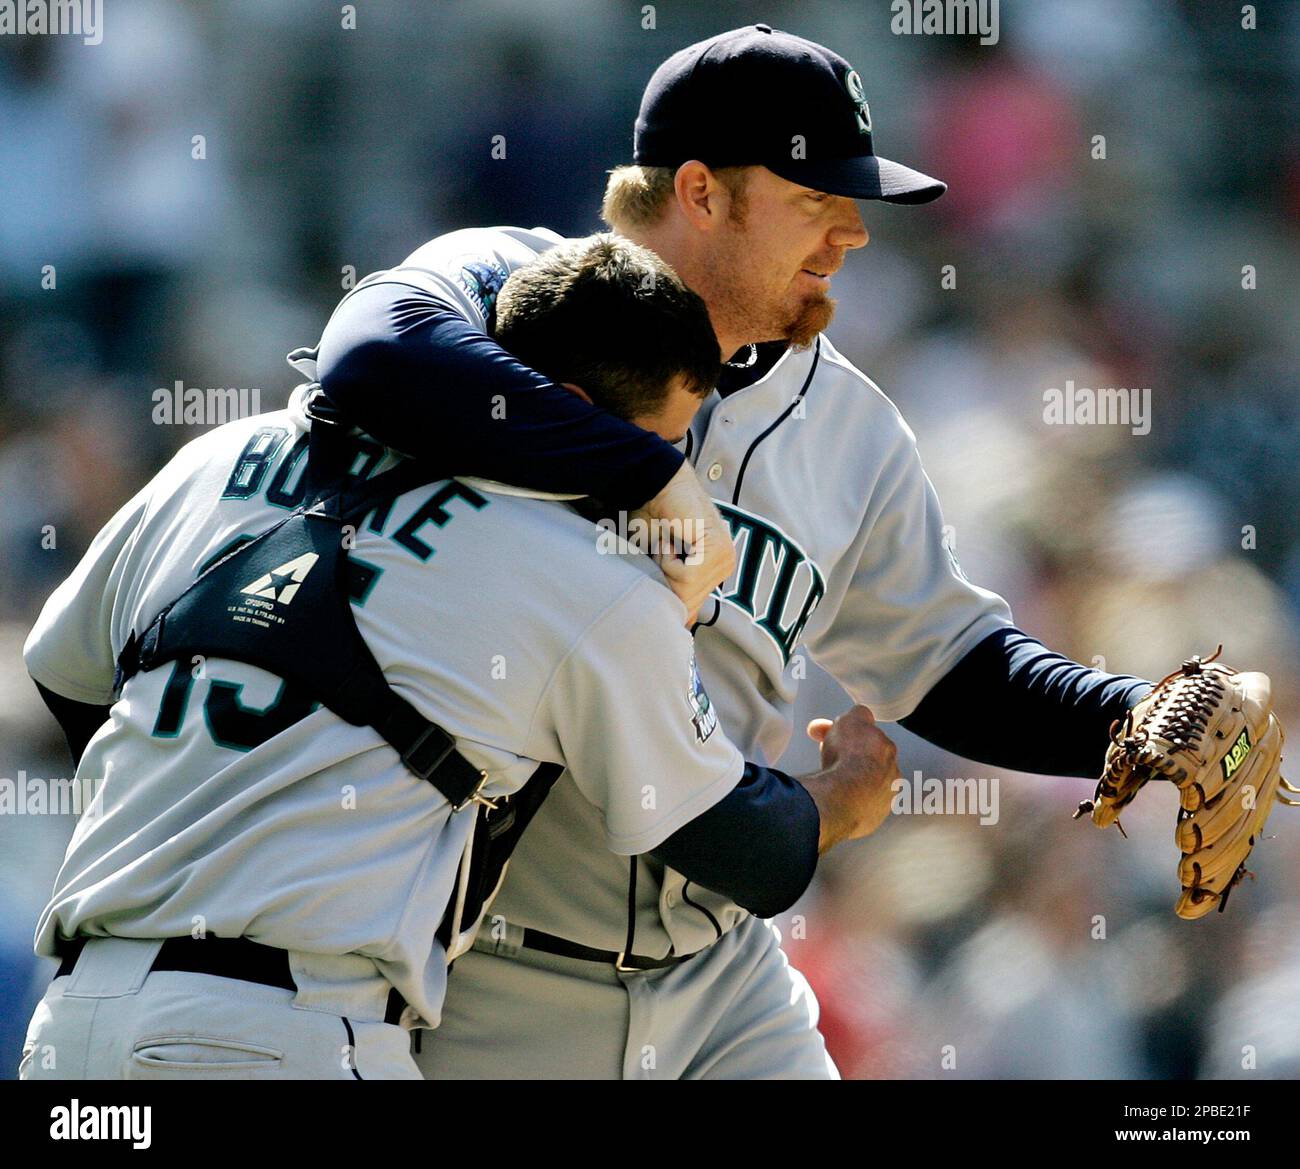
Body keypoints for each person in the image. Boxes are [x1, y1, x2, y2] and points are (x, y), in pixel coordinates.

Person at [306, 26, 1155, 1079]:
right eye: (813, 200)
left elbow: (952, 666)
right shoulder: (518, 285)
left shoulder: (851, 426)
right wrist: (647, 473)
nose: (851, 233)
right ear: (701, 192)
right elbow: (370, 351)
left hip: (722, 970)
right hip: (492, 969)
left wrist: (1139, 722)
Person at [19, 234, 899, 1080]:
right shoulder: (579, 573)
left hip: (70, 1022)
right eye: (663, 442)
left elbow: (64, 671)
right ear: (573, 409)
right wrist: (843, 798)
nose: (669, 470)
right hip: (292, 1027)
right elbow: (737, 840)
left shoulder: (212, 458)